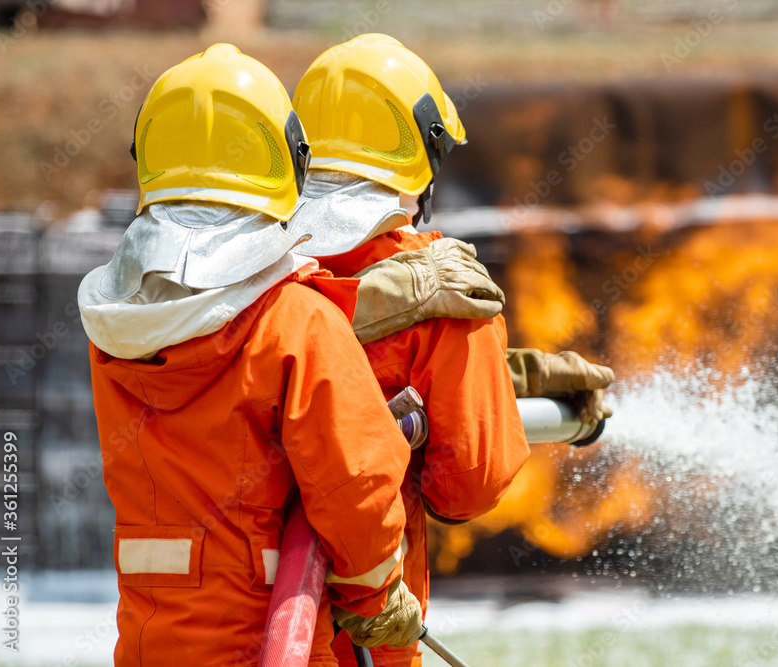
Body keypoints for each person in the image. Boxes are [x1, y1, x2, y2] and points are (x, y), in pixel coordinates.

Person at [77, 43, 497, 666]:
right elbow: (356, 484)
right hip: (273, 642)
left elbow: (220, 340)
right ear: (290, 161)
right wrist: (378, 593)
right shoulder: (297, 322)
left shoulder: (114, 328)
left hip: (149, 644)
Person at [288, 34, 614, 666]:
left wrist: (509, 376)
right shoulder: (443, 291)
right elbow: (466, 484)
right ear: (424, 154)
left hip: (228, 615)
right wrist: (476, 380)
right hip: (365, 620)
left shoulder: (251, 276)